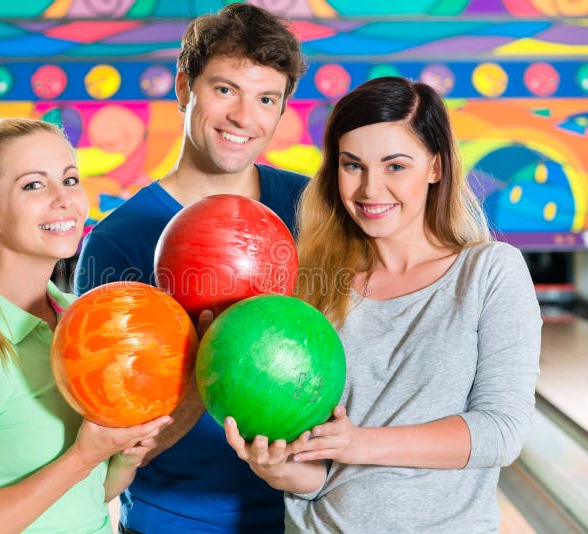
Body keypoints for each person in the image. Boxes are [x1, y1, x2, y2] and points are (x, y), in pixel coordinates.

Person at [224, 76, 542, 533]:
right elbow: (318, 476)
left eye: (395, 166)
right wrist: (276, 468)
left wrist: (360, 444)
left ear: (434, 166)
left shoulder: (489, 273)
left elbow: (500, 433)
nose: (371, 190)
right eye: (353, 165)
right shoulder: (313, 286)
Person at [73, 4, 308, 532]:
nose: (244, 117)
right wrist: (212, 366)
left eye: (265, 98)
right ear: (184, 87)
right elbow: (113, 449)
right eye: (225, 90)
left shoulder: (312, 211)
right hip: (173, 520)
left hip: (305, 514)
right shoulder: (116, 243)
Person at [0, 118, 171, 533]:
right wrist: (82, 455)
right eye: (33, 185)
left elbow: (88, 495)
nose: (64, 199)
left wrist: (124, 455)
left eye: (69, 179)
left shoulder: (79, 322)